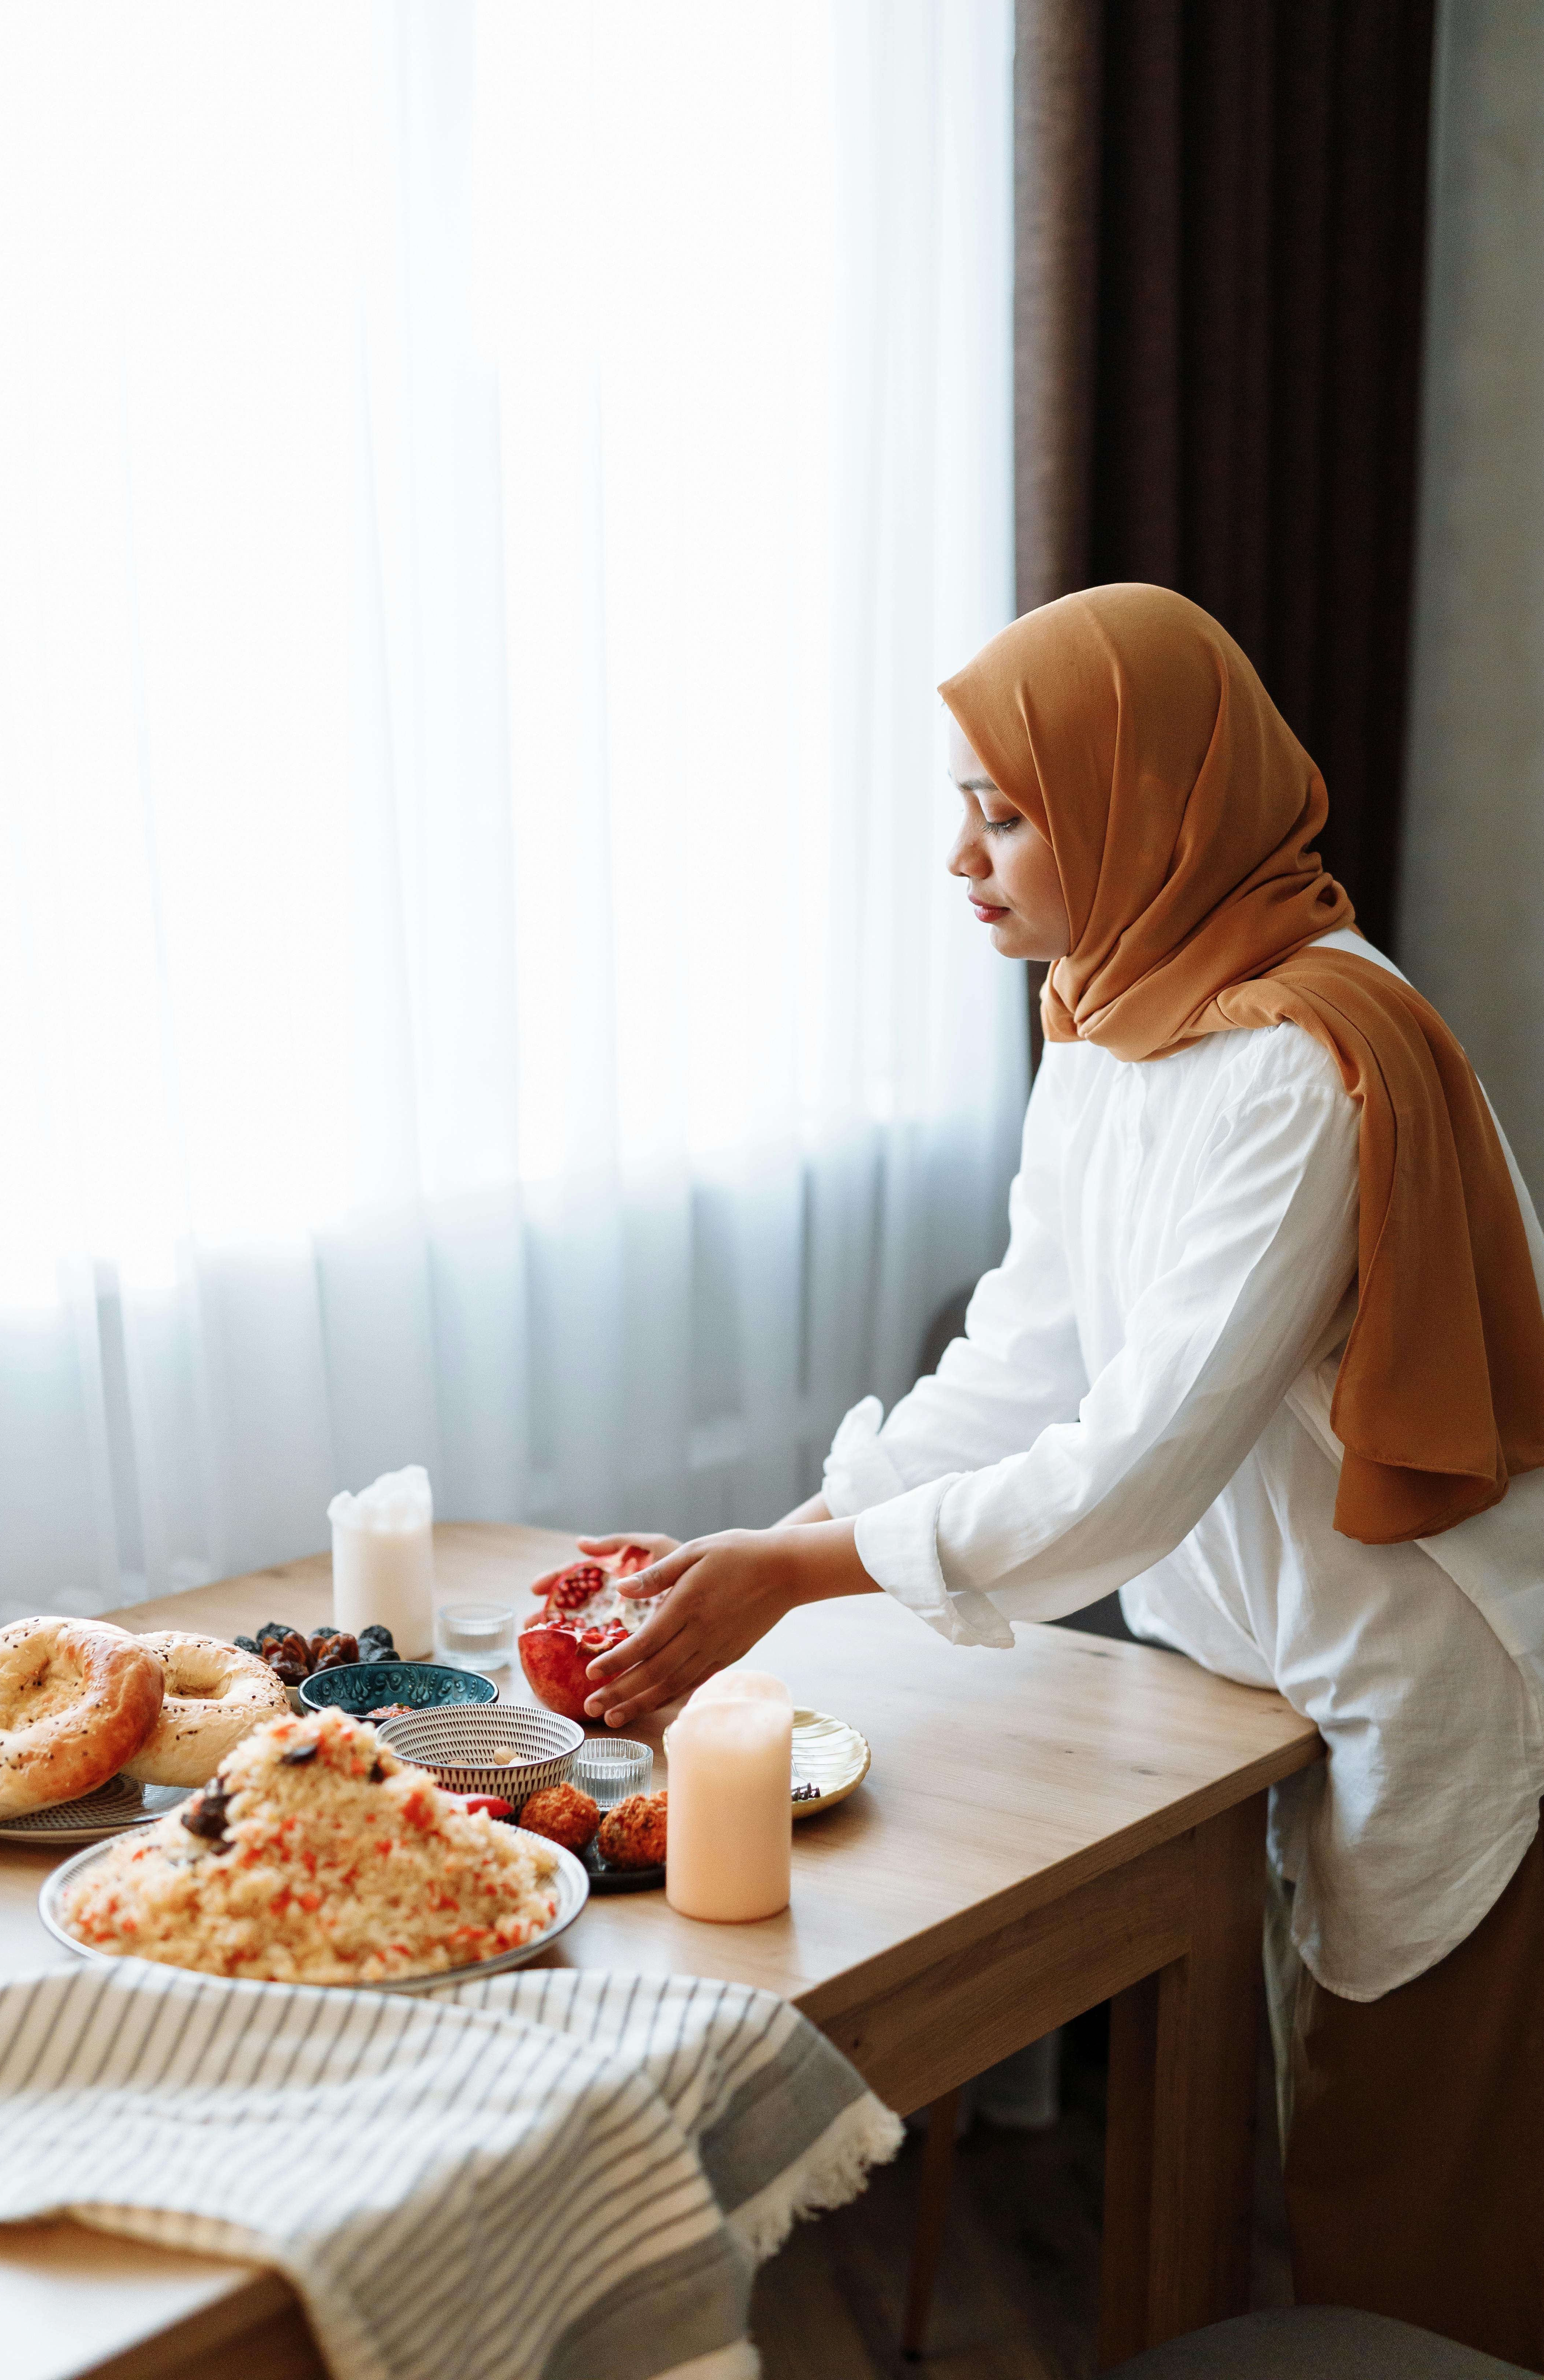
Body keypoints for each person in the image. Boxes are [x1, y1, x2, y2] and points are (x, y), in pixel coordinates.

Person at [565, 583, 1544, 2365]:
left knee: (1429, 2202)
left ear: (1144, 803)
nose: (962, 858)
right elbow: (1022, 1361)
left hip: (1446, 1689)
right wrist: (785, 1534)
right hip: (1289, 1682)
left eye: (1003, 812)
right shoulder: (1116, 1021)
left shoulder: (1306, 1064)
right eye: (963, 808)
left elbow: (1129, 1473)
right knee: (1342, 2149)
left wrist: (797, 1583)